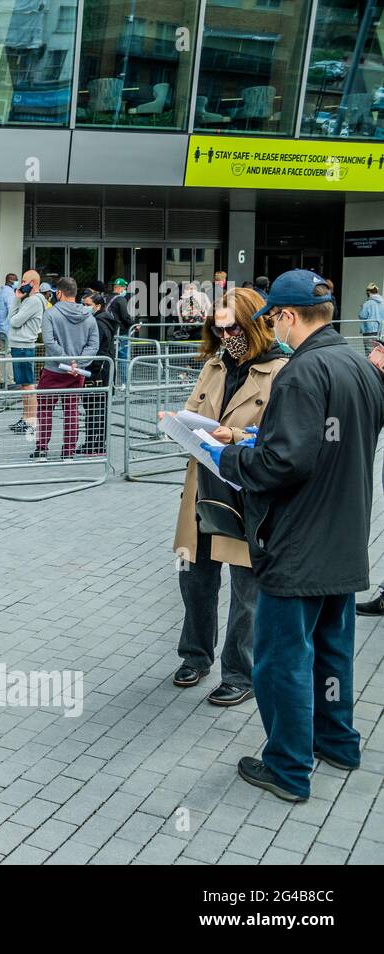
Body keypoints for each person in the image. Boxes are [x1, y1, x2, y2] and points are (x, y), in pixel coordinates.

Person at [209, 270, 383, 802]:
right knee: (332, 648)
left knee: (282, 657)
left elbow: (285, 462)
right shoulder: (359, 364)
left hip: (298, 543)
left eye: (273, 318)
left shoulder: (301, 372)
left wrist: (232, 457)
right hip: (345, 535)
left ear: (285, 316)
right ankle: (338, 741)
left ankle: (286, 766)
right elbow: (334, 441)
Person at [169, 288, 285, 706]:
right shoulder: (216, 364)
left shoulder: (280, 369)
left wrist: (232, 436)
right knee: (194, 578)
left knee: (245, 589)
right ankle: (195, 655)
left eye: (232, 327)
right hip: (203, 486)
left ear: (254, 323)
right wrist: (179, 423)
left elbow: (279, 438)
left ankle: (239, 671)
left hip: (245, 491)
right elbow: (194, 408)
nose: (225, 336)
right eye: (217, 329)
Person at [32, 278, 98, 461]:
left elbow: (49, 342)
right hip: (78, 373)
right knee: (72, 412)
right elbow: (93, 344)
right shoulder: (89, 316)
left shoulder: (50, 314)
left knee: (45, 410)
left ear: (59, 293)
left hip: (54, 369)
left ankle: (42, 449)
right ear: (75, 293)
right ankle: (68, 451)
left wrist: (67, 361)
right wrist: (78, 363)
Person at [76, 289, 115, 456]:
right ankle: (93, 443)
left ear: (98, 306)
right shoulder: (100, 320)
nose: (84, 307)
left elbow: (98, 349)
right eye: (82, 304)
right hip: (100, 370)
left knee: (95, 408)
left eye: (87, 305)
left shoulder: (98, 323)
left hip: (97, 371)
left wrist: (90, 369)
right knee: (95, 408)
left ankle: (95, 444)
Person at [8, 270, 45, 434]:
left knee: (28, 385)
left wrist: (17, 299)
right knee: (24, 384)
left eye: (24, 281)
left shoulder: (33, 301)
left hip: (23, 345)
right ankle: (26, 418)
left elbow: (14, 321)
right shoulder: (30, 299)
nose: (21, 284)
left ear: (33, 283)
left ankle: (30, 420)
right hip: (20, 344)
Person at [0, 272, 18, 388]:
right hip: (9, 328)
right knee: (9, 353)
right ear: (11, 281)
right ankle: (10, 380)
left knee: (1, 353)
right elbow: (12, 310)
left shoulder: (0, 293)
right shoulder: (10, 294)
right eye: (17, 280)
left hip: (0, 326)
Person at [356, 282, 384, 356]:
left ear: (368, 293)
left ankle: (370, 367)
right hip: (381, 331)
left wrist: (362, 308)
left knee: (370, 352)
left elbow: (362, 315)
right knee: (379, 351)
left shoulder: (367, 303)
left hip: (369, 331)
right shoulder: (382, 302)